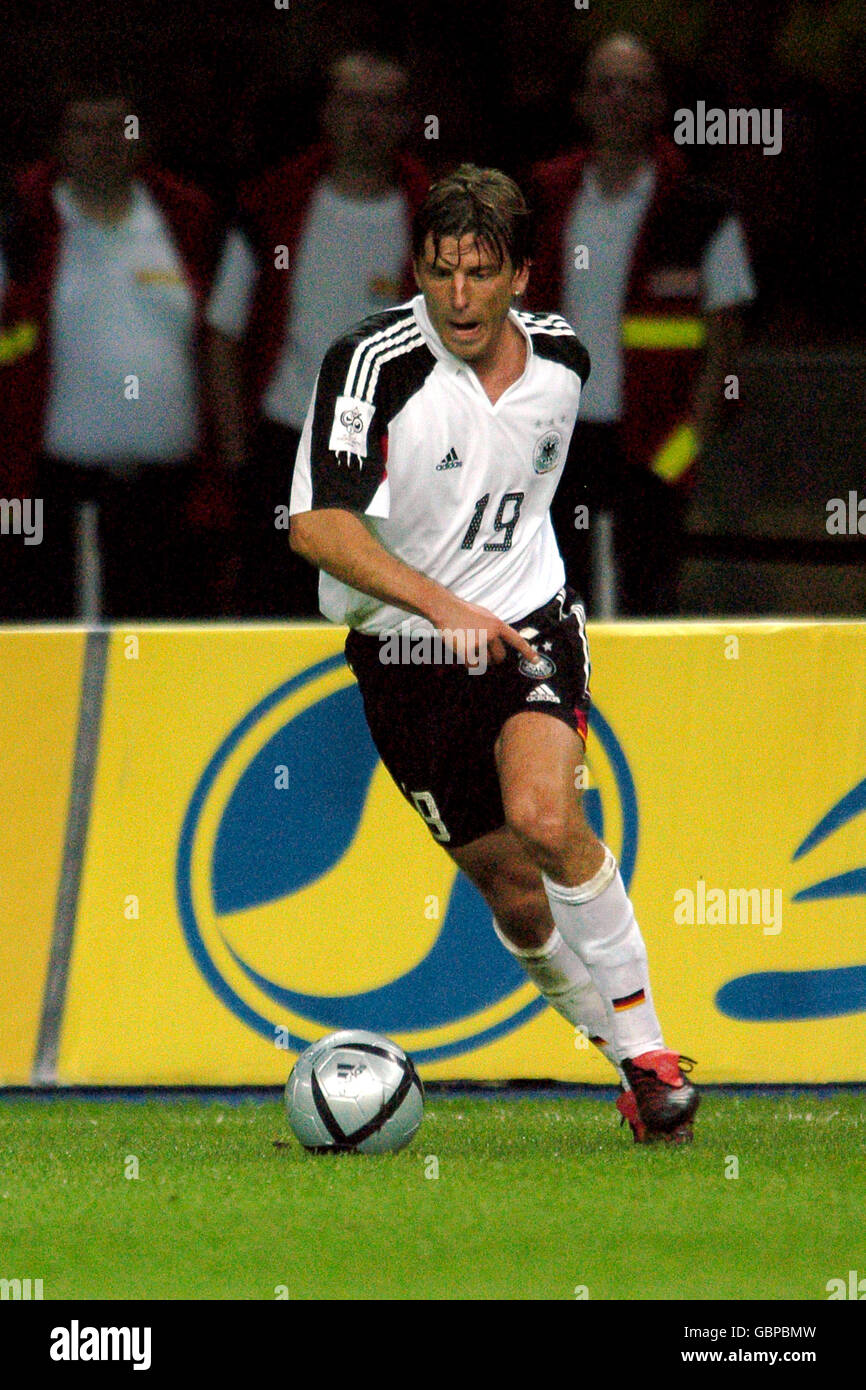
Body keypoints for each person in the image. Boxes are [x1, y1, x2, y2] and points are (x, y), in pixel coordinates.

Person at [289, 164, 699, 1143]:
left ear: (521, 273)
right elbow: (316, 528)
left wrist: (486, 602)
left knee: (544, 815)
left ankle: (651, 1052)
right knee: (512, 893)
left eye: (480, 272)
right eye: (439, 272)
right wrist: (438, 604)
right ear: (417, 271)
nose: (458, 296)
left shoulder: (564, 362)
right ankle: (624, 1063)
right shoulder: (368, 363)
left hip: (525, 628)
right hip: (402, 661)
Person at [528, 32, 756, 615]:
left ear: (660, 103)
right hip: (555, 442)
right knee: (549, 603)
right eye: (605, 86)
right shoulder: (542, 197)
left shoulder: (702, 213)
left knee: (649, 606)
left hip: (652, 449)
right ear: (579, 101)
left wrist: (673, 463)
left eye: (637, 87)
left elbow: (722, 358)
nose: (620, 101)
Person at [205, 50, 429, 618]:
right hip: (287, 447)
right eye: (352, 102)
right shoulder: (269, 204)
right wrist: (239, 459)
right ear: (326, 112)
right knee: (274, 616)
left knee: (387, 621)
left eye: (384, 105)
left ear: (406, 119)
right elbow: (223, 337)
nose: (366, 120)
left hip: (399, 457)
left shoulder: (437, 214)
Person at [0, 78, 222, 621]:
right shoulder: (19, 223)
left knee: (167, 654)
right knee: (51, 653)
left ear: (145, 139)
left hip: (170, 491)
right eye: (84, 128)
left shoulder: (187, 218)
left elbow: (224, 340)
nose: (104, 141)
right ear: (57, 142)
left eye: (119, 127)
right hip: (50, 490)